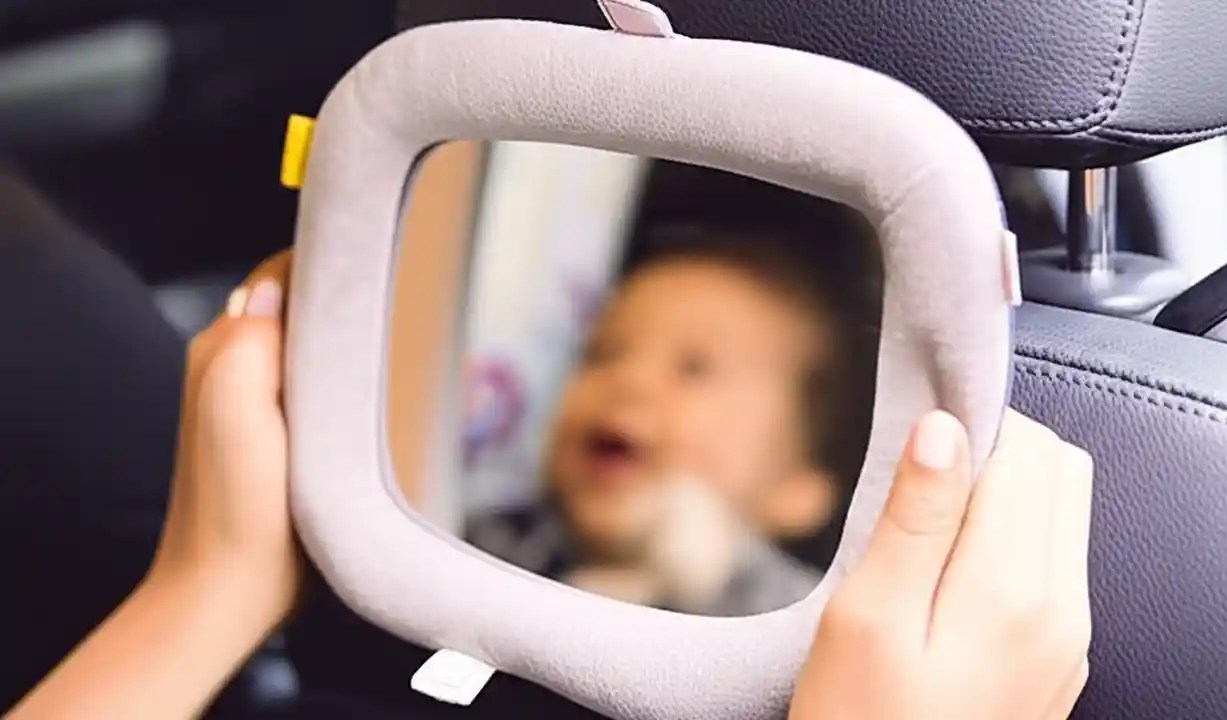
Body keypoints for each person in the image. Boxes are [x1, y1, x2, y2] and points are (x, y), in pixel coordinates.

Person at [8, 250, 1094, 720]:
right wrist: (209, 583)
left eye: (693, 367)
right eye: (606, 350)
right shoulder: (438, 570)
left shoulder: (815, 650)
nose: (620, 381)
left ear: (811, 490)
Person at [466, 231, 850, 616]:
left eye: (693, 367)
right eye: (602, 353)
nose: (629, 379)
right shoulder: (487, 545)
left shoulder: (800, 623)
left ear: (794, 491)